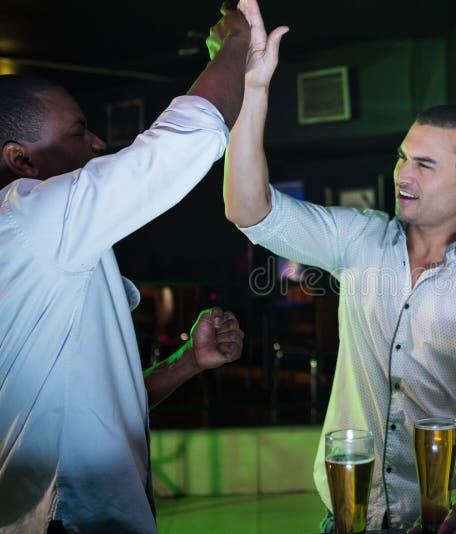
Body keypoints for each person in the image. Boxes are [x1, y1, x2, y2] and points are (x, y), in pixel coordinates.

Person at [222, 3, 456, 531]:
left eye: (424, 164)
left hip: (445, 521)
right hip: (346, 515)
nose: (402, 175)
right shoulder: (360, 238)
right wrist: (252, 91)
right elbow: (247, 208)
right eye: (401, 157)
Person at [0, 1, 266, 531]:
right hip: (64, 521)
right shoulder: (28, 218)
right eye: (78, 132)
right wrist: (234, 43)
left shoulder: (46, 250)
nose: (98, 142)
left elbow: (96, 409)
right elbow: (177, 146)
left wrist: (187, 362)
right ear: (21, 160)